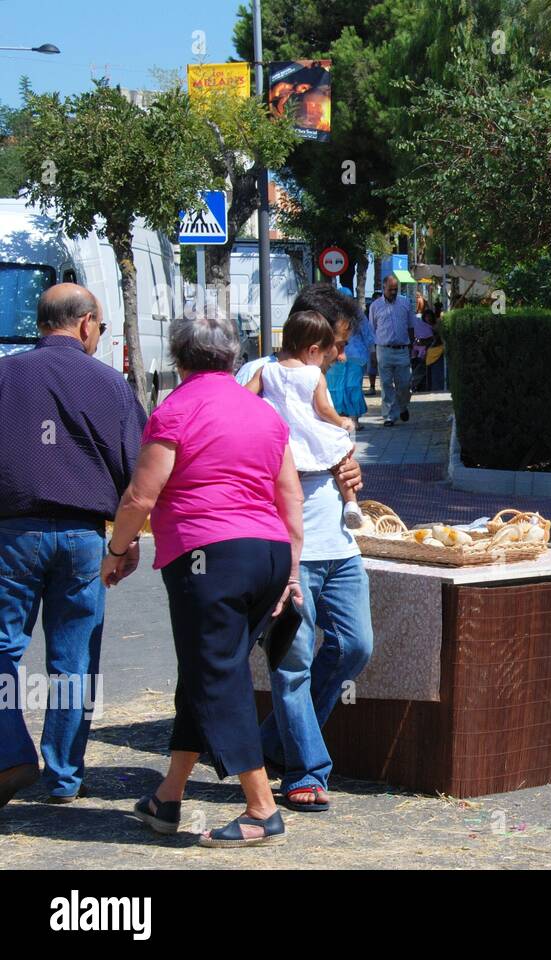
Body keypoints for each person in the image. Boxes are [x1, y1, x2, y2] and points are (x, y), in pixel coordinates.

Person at [104, 314, 304, 848]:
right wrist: (292, 570)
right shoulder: (262, 412)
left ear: (180, 359)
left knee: (217, 673)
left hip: (207, 554)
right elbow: (290, 497)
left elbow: (140, 497)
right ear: (233, 358)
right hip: (268, 553)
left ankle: (261, 808)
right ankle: (168, 795)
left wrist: (117, 550)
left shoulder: (175, 410)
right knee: (207, 666)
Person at [0, 284, 147, 809]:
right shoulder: (110, 384)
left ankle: (9, 751)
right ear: (85, 323)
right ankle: (62, 774)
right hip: (85, 536)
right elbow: (139, 473)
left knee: (1, 648)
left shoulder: (4, 374)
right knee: (74, 659)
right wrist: (125, 542)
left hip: (10, 532)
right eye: (101, 328)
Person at [236, 283, 373, 814]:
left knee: (355, 646)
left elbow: (337, 443)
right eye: (337, 342)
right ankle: (306, 771)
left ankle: (274, 741)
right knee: (290, 665)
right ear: (313, 332)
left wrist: (354, 466)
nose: (341, 354)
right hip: (284, 551)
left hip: (339, 544)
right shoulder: (258, 375)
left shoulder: (316, 378)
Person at [245, 310, 364, 530]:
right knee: (341, 457)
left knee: (289, 479)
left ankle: (286, 508)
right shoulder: (313, 375)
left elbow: (242, 397)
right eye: (324, 354)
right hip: (310, 434)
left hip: (281, 440)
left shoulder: (266, 371)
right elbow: (324, 409)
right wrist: (341, 422)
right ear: (313, 351)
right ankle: (351, 504)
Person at [368, 274, 416, 426]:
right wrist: (373, 352)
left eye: (395, 289)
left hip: (402, 349)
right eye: (390, 289)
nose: (393, 292)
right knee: (386, 384)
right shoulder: (375, 306)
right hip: (384, 349)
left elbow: (410, 326)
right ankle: (389, 416)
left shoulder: (405, 303)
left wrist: (411, 345)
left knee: (405, 384)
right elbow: (371, 330)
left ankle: (402, 406)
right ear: (384, 288)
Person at [325, 287, 373, 430]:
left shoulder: (356, 315)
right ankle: (341, 418)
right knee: (338, 386)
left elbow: (367, 334)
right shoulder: (331, 314)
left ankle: (352, 419)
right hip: (337, 354)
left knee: (349, 386)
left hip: (352, 356)